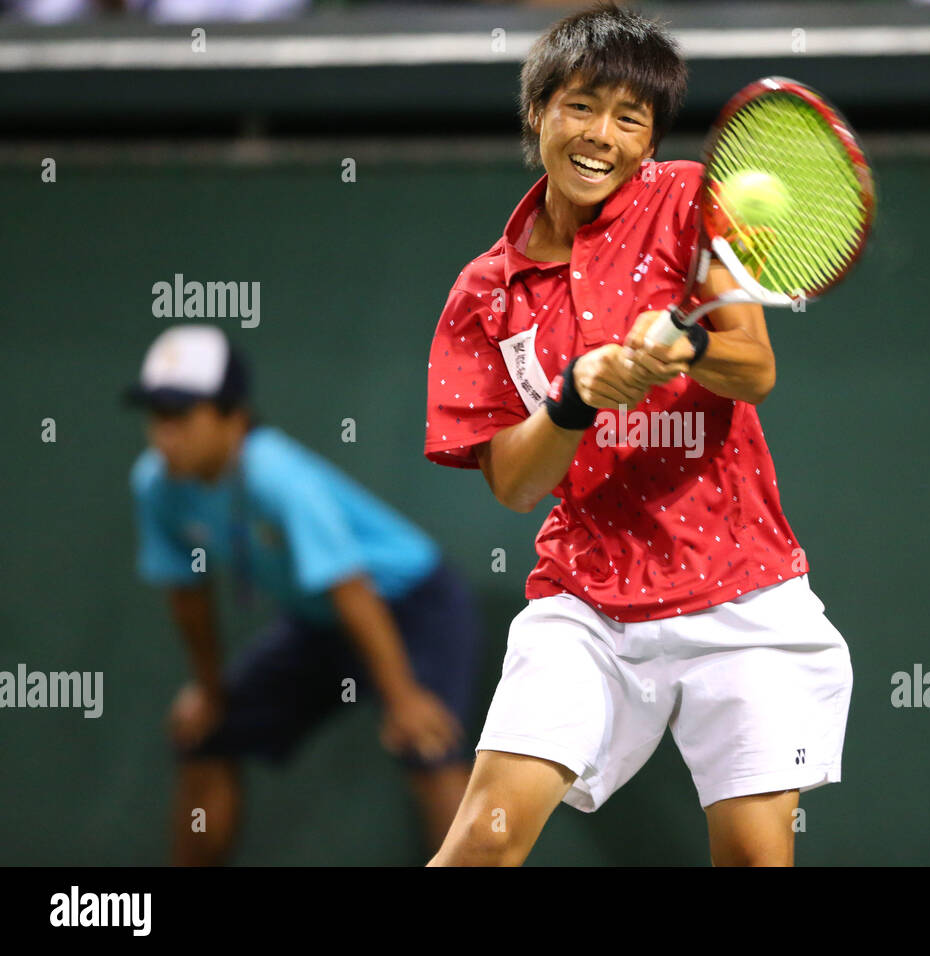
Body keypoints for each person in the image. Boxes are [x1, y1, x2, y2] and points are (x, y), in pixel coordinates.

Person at [422, 3, 852, 867]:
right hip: (585, 601)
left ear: (651, 137)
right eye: (582, 106)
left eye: (631, 118)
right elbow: (511, 483)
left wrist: (682, 342)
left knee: (754, 861)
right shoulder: (486, 292)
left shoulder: (692, 201)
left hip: (741, 591)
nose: (602, 136)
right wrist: (575, 399)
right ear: (538, 111)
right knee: (481, 846)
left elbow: (752, 366)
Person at [126, 323, 480, 864]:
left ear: (233, 416)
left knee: (429, 744)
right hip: (323, 621)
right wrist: (209, 689)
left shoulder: (279, 477)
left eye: (182, 416)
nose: (164, 435)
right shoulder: (155, 485)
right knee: (205, 736)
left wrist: (402, 696)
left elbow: (350, 587)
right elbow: (187, 595)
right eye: (157, 417)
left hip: (413, 606)